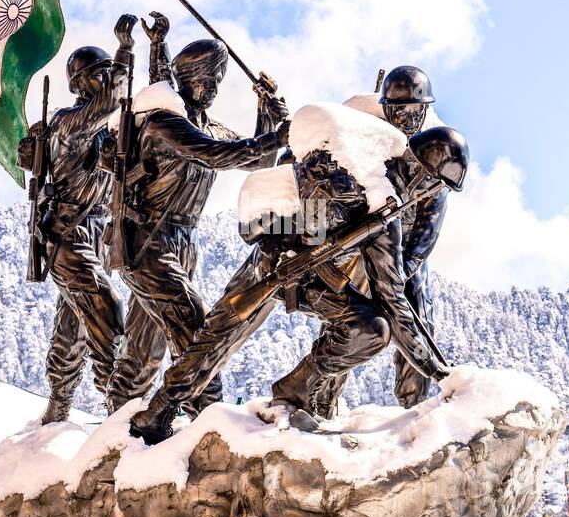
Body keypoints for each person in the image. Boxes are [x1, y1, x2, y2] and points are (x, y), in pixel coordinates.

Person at [128, 120, 470, 444]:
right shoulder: (358, 179)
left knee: (368, 328)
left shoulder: (384, 207)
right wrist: (295, 246)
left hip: (304, 270)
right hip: (280, 265)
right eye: (433, 183)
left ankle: (291, 393)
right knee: (217, 336)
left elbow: (391, 295)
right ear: (419, 169)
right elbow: (304, 214)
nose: (429, 193)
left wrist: (437, 371)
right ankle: (158, 411)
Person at [104, 12, 288, 430]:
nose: (214, 90)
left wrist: (268, 117)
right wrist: (276, 136)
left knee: (145, 347)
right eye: (208, 81)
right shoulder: (163, 122)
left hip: (182, 245)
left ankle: (115, 425)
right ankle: (210, 422)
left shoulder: (207, 125)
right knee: (195, 334)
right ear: (187, 80)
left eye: (218, 82)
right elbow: (213, 154)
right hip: (147, 242)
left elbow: (258, 159)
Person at [17, 13, 136, 423]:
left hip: (95, 235)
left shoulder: (103, 132)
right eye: (99, 74)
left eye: (108, 73)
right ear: (81, 84)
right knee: (106, 307)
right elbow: (113, 99)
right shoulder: (71, 123)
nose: (107, 79)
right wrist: (124, 50)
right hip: (67, 236)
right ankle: (119, 407)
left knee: (74, 323)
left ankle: (57, 406)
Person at [374, 65, 451, 408]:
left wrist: (398, 274)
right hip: (367, 251)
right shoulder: (369, 152)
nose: (405, 119)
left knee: (419, 321)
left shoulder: (433, 161)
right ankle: (321, 401)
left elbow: (425, 235)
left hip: (408, 257)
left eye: (413, 111)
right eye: (398, 111)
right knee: (349, 323)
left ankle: (414, 407)